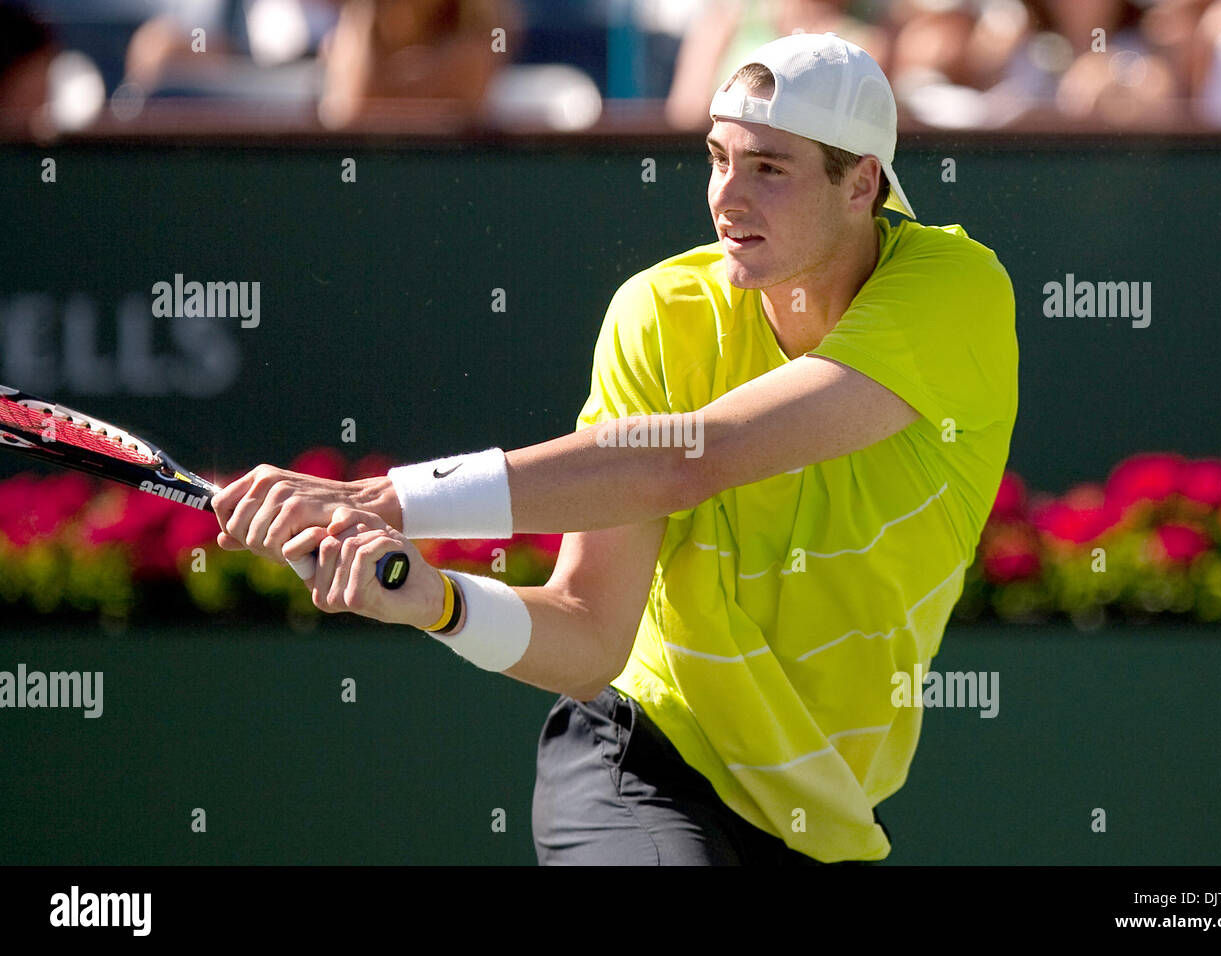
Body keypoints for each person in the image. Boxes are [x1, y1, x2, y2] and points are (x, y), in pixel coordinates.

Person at [213, 32, 1019, 865]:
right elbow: (592, 635)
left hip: (829, 825)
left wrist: (390, 498)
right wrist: (436, 601)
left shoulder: (955, 291)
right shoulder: (659, 315)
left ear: (862, 184)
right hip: (639, 761)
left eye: (769, 169)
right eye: (717, 159)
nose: (727, 198)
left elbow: (691, 456)